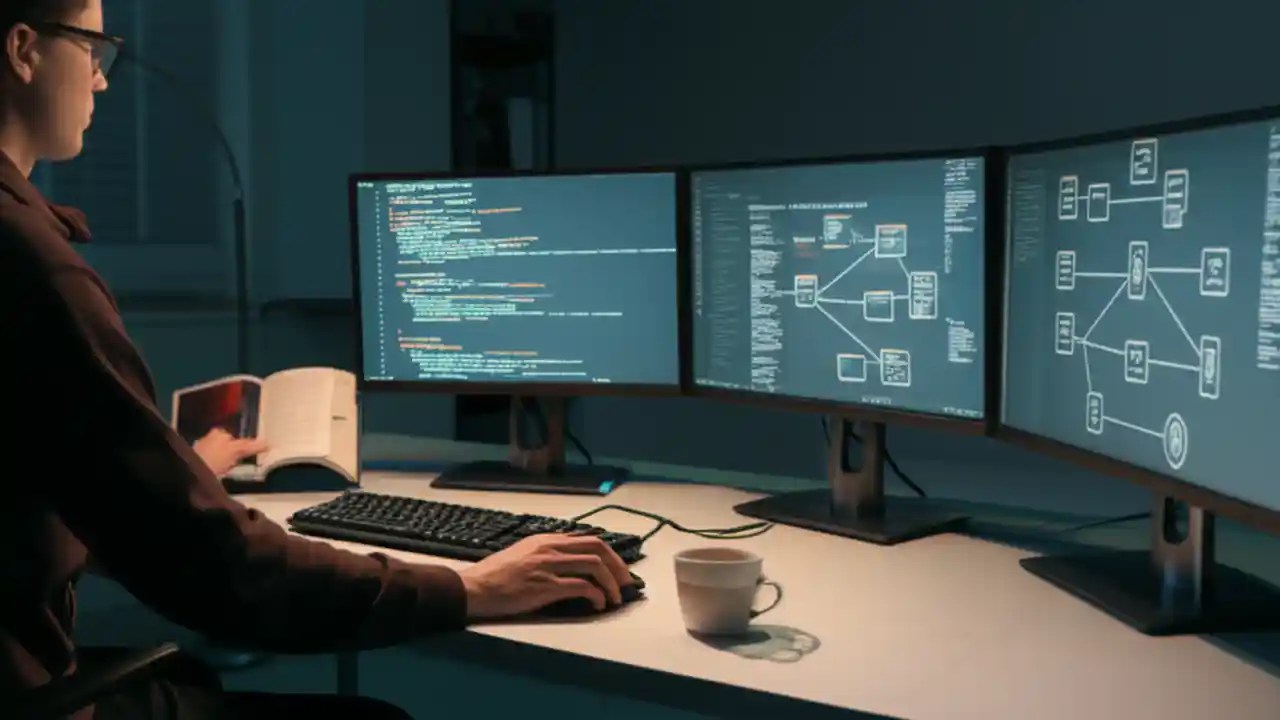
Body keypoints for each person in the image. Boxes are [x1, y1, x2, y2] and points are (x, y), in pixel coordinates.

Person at [0, 1, 635, 718]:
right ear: (24, 49)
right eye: (93, 47)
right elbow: (219, 572)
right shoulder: (35, 270)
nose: (103, 80)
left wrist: (169, 481)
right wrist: (470, 589)